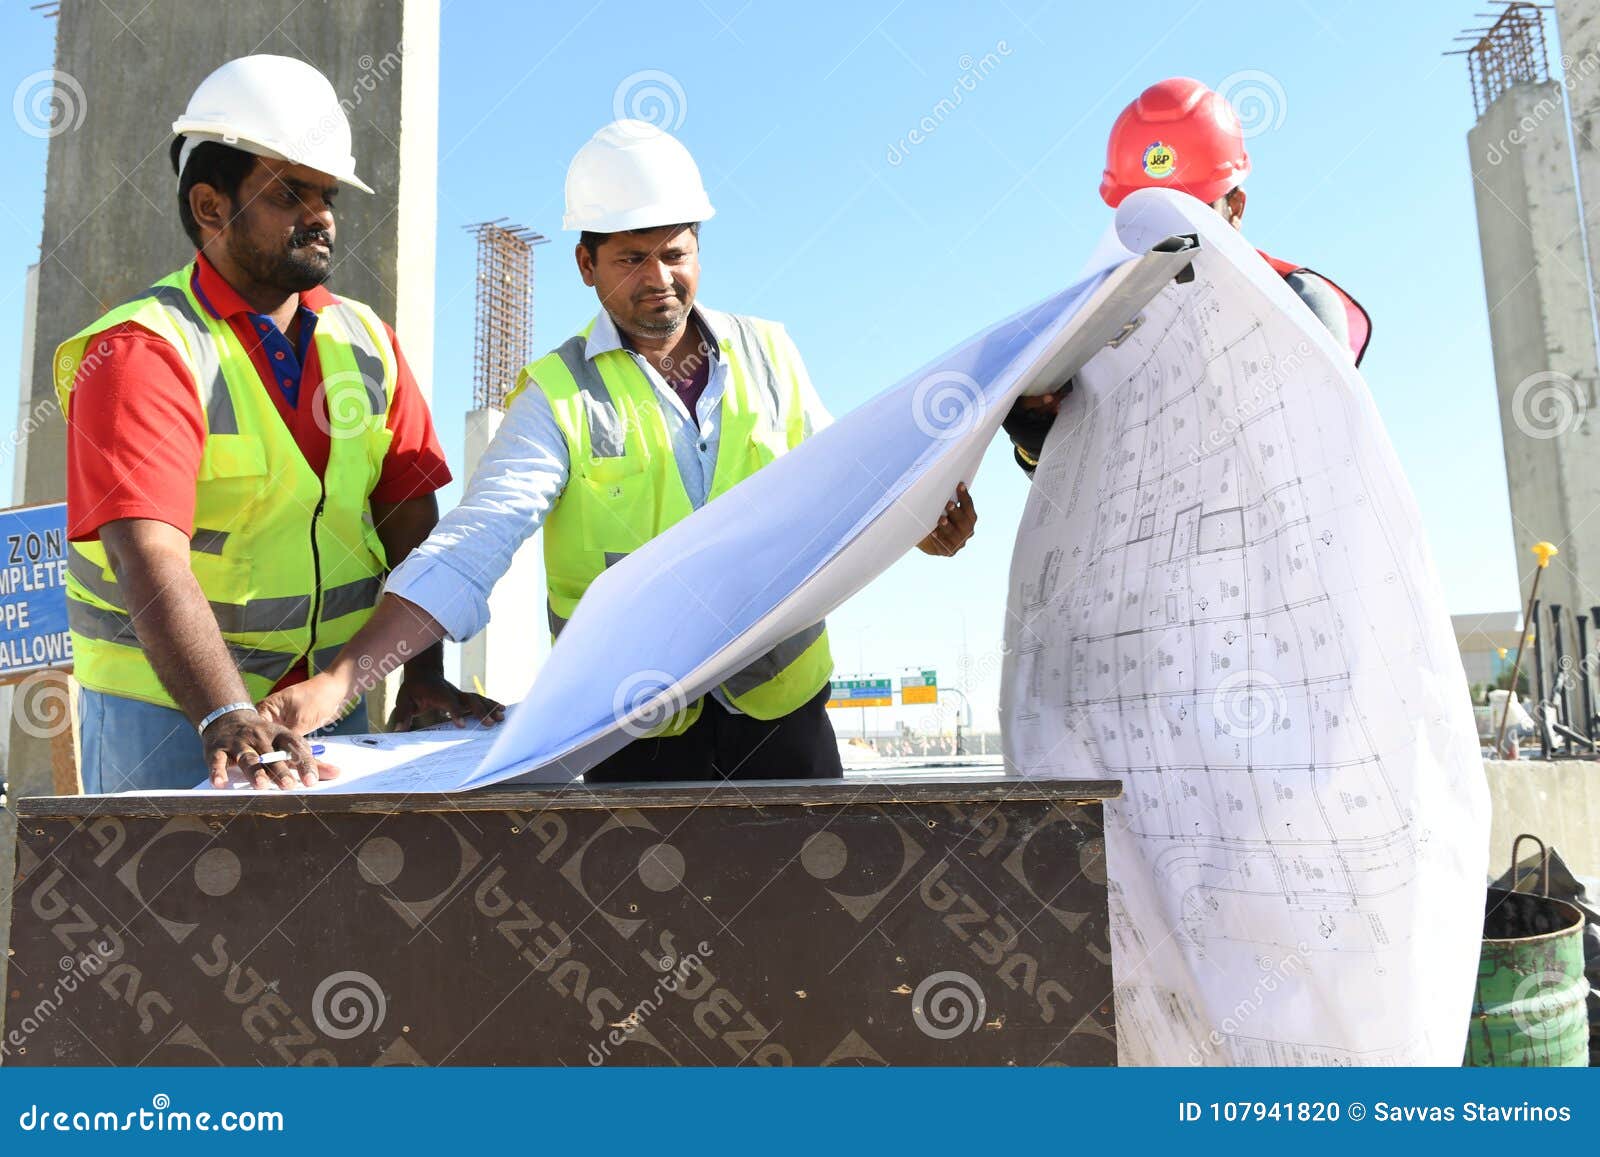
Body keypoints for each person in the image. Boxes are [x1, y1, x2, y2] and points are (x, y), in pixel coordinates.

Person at [260, 120, 977, 783]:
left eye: (675, 252)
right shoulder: (555, 395)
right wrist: (339, 683)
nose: (659, 278)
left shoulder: (771, 353)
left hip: (783, 719)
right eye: (632, 258)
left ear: (700, 245)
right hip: (633, 735)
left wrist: (919, 519)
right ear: (585, 263)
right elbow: (472, 547)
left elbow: (850, 484)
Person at [55, 55, 494, 794]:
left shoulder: (368, 343)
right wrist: (225, 712)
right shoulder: (144, 350)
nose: (320, 216)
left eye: (326, 194)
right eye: (291, 192)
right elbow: (151, 560)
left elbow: (410, 522)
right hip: (166, 713)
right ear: (210, 206)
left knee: (326, 908)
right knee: (171, 907)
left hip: (323, 706)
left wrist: (420, 673)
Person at [1004, 76, 1371, 474]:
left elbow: (1316, 467)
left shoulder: (1299, 301)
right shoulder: (1093, 334)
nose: (1170, 239)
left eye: (1192, 213)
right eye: (1149, 216)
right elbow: (1087, 502)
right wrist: (1038, 446)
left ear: (1236, 207)